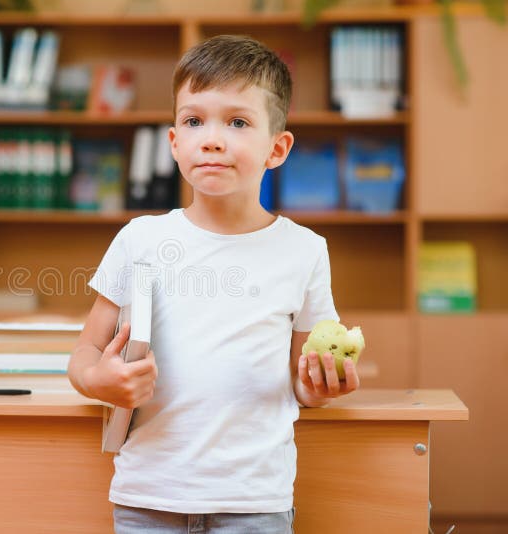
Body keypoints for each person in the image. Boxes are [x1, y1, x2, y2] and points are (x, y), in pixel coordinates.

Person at [68, 34, 360, 533]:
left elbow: (301, 380)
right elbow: (84, 358)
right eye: (194, 120)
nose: (212, 138)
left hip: (254, 504)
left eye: (238, 122)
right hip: (147, 499)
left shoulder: (306, 250)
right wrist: (101, 381)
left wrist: (320, 387)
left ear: (278, 147)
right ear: (174, 142)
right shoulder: (141, 239)